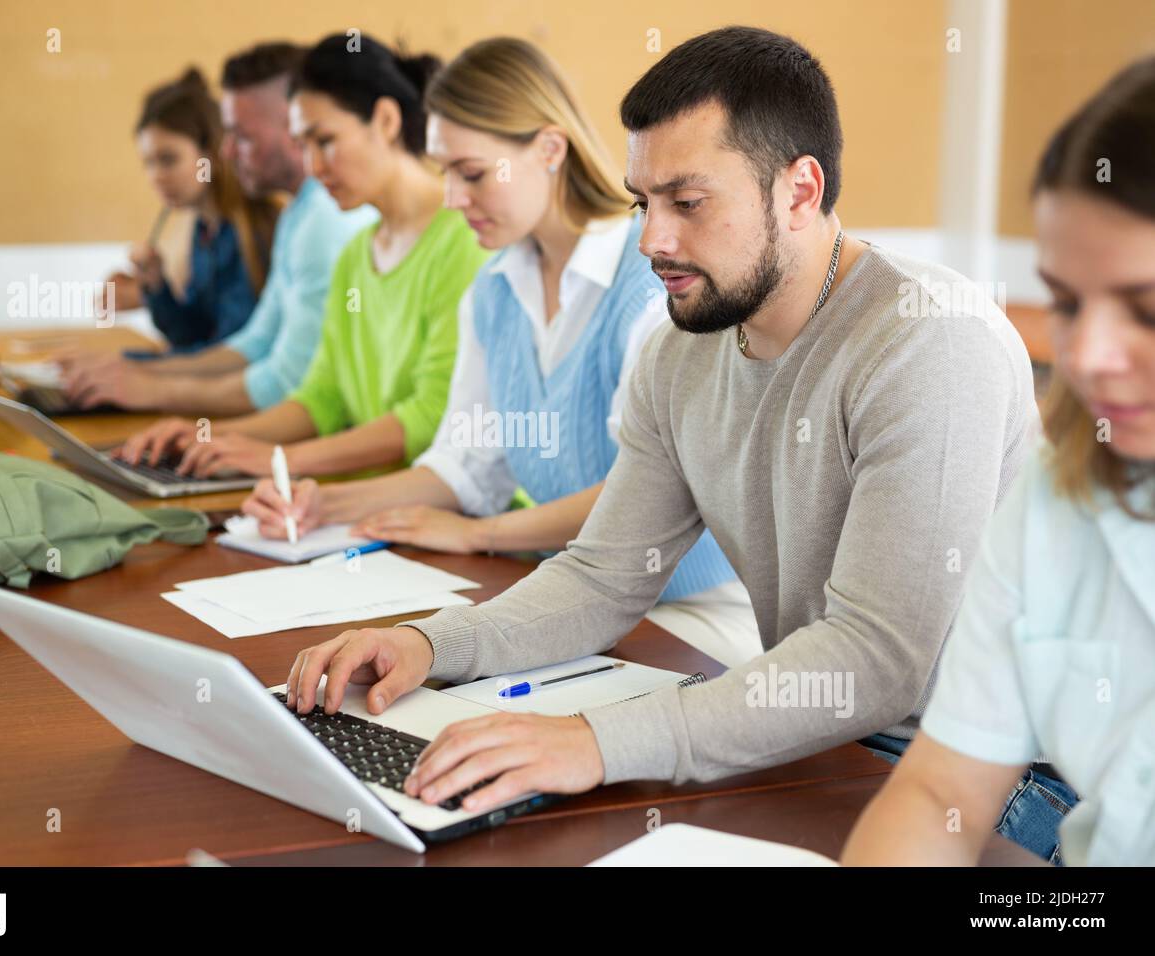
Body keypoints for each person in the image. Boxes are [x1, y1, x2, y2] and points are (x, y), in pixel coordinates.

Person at [277, 27, 1058, 859]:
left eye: (688, 203)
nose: (652, 240)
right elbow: (605, 575)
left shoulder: (929, 340)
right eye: (641, 202)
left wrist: (595, 741)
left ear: (799, 191)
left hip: (999, 788)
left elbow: (875, 663)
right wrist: (431, 643)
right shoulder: (679, 349)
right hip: (829, 747)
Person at [239, 36, 757, 665]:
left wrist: (481, 535)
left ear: (547, 149)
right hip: (574, 599)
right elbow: (468, 462)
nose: (453, 200)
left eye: (473, 173)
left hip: (692, 615)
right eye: (445, 174)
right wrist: (325, 502)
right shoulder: (491, 292)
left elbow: (638, 495)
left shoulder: (654, 282)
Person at [843, 58, 1155, 867]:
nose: (1082, 355)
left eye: (1146, 310)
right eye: (1066, 300)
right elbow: (941, 792)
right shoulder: (1060, 500)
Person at [117, 34, 489, 479]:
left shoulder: (464, 240)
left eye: (325, 140)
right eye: (303, 145)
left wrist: (281, 459)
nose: (313, 167)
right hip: (349, 510)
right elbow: (320, 397)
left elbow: (433, 415)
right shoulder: (357, 254)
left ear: (386, 120)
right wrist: (210, 438)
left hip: (428, 519)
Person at [61, 43, 374, 415]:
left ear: (293, 126)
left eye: (242, 136)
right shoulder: (297, 214)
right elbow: (253, 344)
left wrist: (152, 385)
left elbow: (286, 380)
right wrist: (137, 365)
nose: (227, 152)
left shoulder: (319, 219)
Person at [119, 67, 275, 353]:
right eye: (148, 163)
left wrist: (143, 371)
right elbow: (191, 334)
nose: (156, 176)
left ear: (211, 153)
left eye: (168, 159)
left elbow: (227, 351)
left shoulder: (250, 230)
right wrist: (156, 286)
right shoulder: (204, 230)